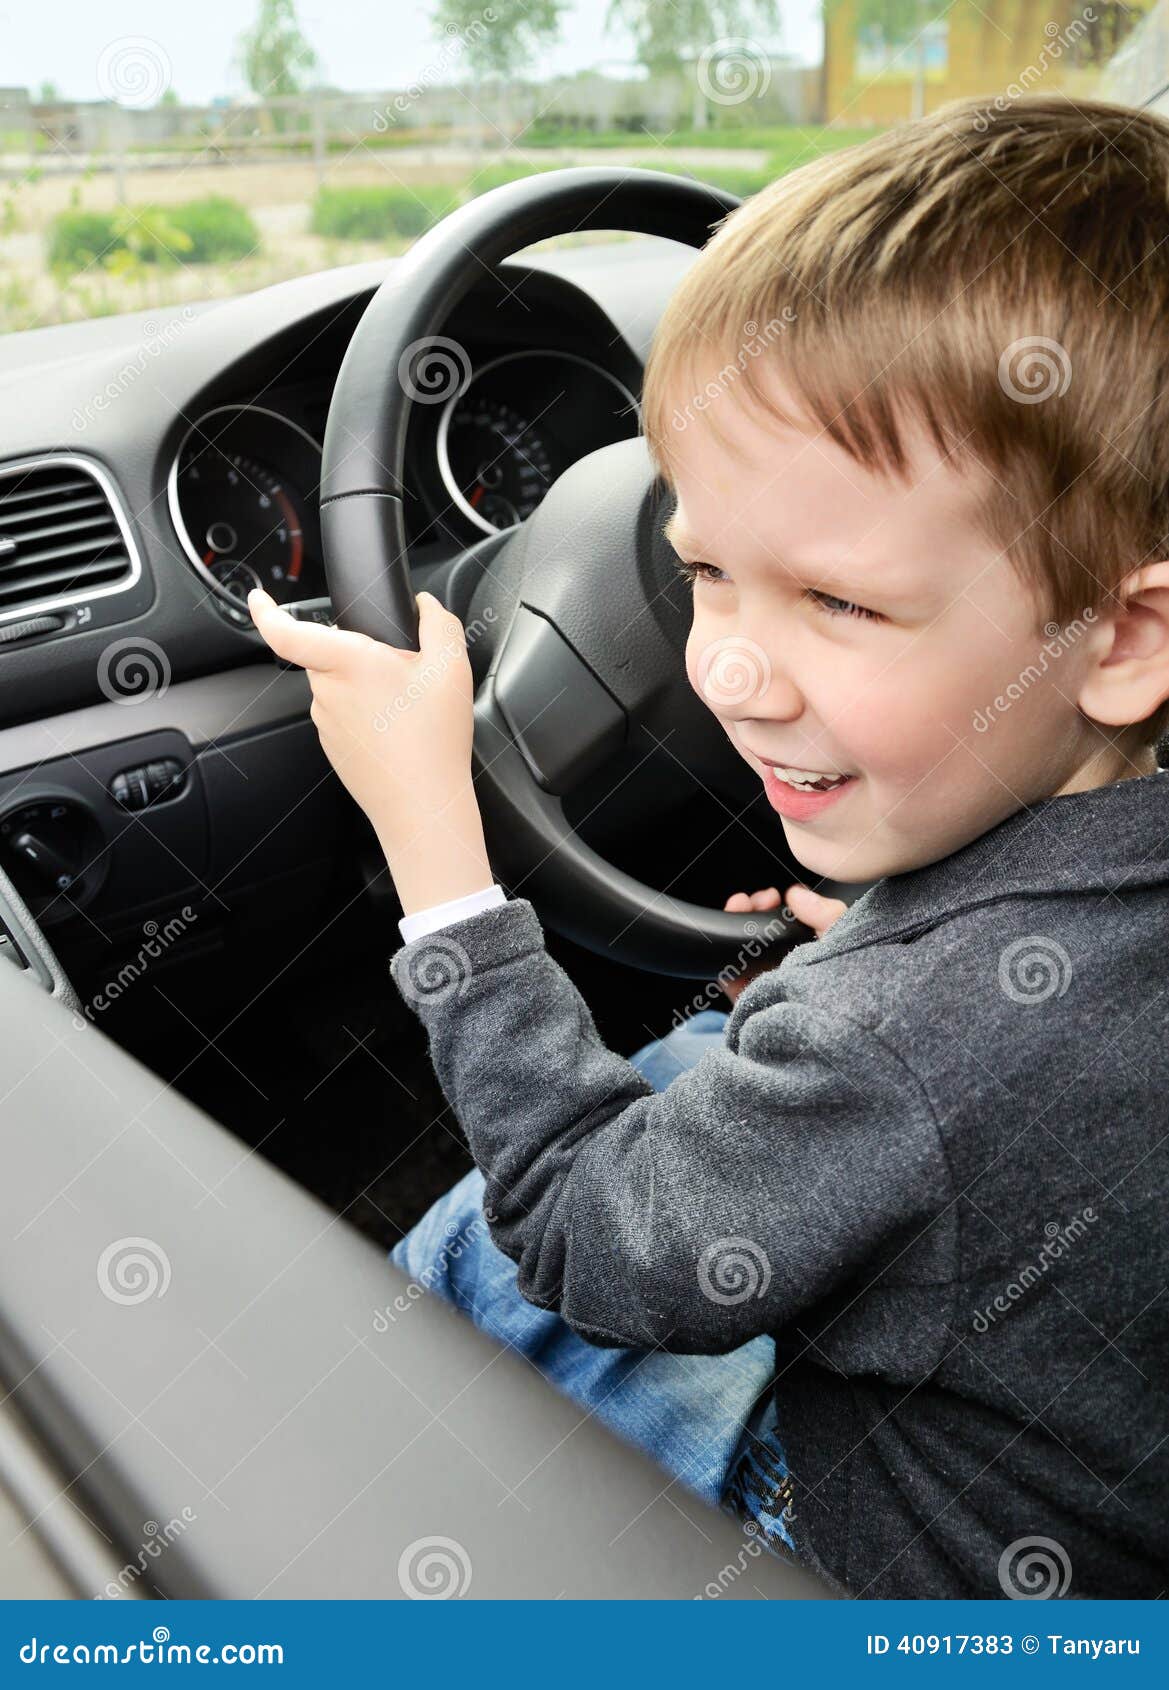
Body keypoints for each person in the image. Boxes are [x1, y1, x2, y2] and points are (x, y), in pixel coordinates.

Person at [248, 93, 1169, 1598]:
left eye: (843, 603)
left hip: (863, 1554)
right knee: (696, 1066)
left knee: (478, 1257)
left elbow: (579, 1229)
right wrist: (884, 935)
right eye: (700, 572)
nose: (724, 672)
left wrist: (434, 842)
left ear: (1123, 636)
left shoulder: (893, 1051)